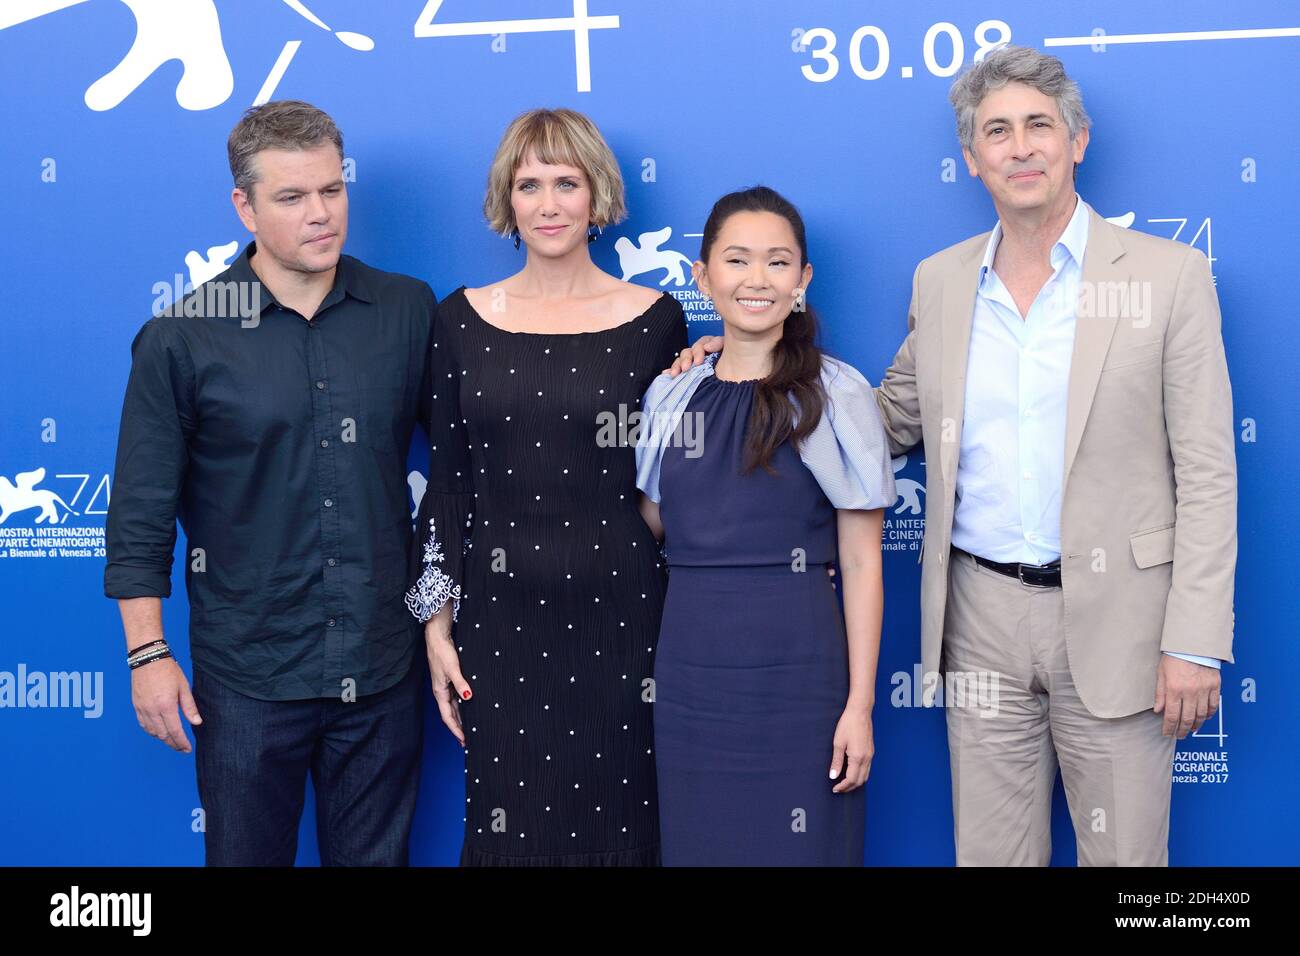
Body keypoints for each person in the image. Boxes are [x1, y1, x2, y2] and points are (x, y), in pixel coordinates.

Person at [873, 45, 1237, 865]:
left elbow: (1210, 474)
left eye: (1039, 125)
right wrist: (750, 362)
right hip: (980, 621)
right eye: (997, 131)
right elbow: (889, 419)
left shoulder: (1167, 277)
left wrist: (1194, 641)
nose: (1020, 146)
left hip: (1125, 626)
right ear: (971, 159)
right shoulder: (941, 280)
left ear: (1078, 140)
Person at [104, 100, 433, 866]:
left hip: (383, 669)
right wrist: (146, 654)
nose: (321, 214)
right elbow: (141, 513)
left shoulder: (407, 310)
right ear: (244, 207)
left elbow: (486, 436)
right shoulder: (179, 338)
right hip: (248, 676)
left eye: (332, 190)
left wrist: (711, 354)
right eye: (291, 198)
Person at [406, 108, 715, 865]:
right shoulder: (459, 319)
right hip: (500, 620)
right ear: (506, 201)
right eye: (529, 184)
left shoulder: (656, 320)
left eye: (566, 183)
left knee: (624, 825)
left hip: (624, 611)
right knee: (510, 826)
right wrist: (433, 622)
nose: (548, 203)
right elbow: (449, 483)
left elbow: (674, 471)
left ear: (597, 195)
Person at [636, 186, 894, 865]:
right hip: (690, 675)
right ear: (703, 276)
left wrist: (859, 706)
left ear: (802, 281)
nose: (757, 280)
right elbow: (654, 522)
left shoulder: (837, 393)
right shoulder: (672, 391)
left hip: (802, 678)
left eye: (778, 263)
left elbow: (864, 562)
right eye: (737, 260)